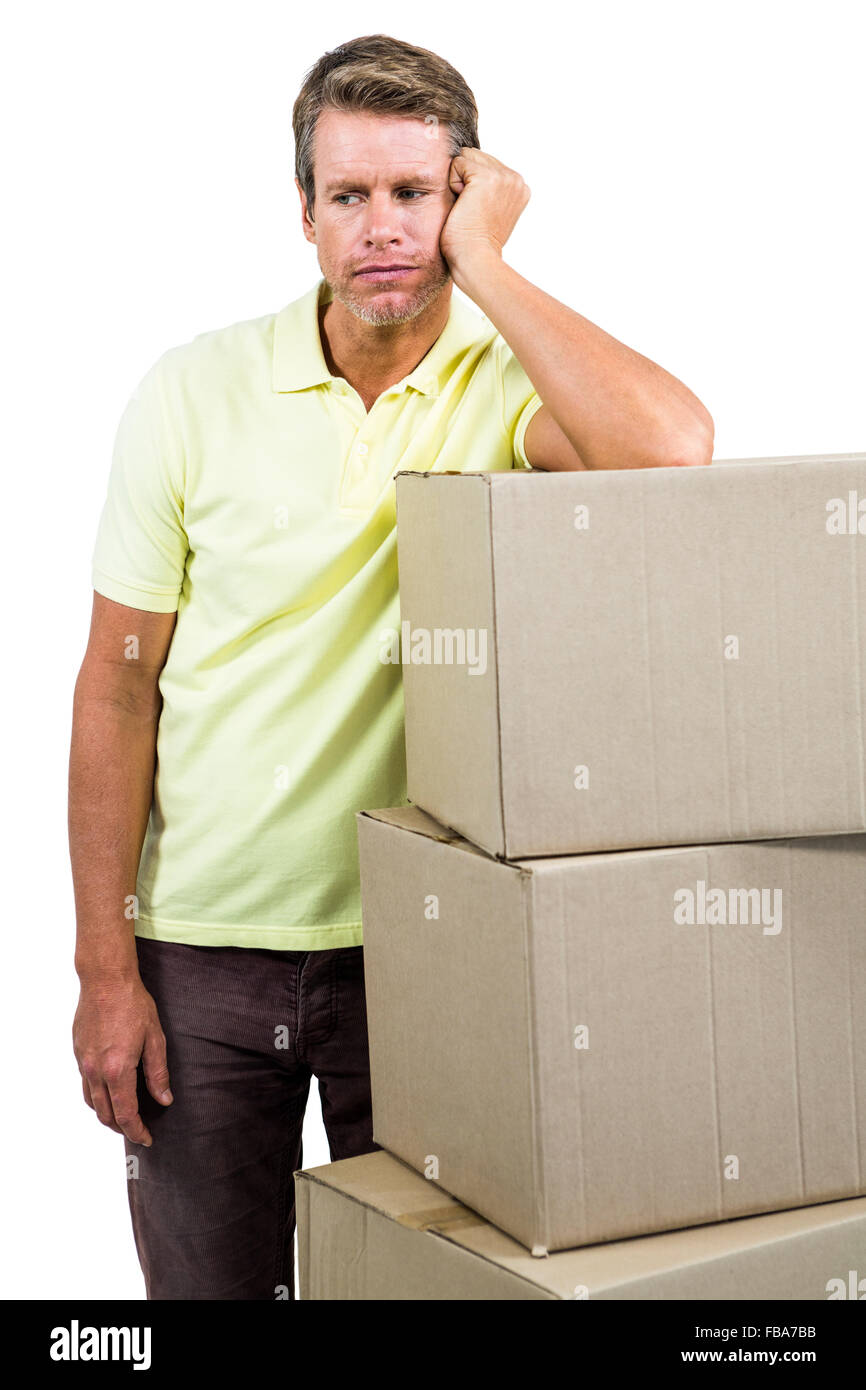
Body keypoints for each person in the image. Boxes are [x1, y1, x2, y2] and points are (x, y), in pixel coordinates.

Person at [69, 32, 713, 1301]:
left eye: (415, 195)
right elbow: (114, 686)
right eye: (348, 195)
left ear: (462, 199)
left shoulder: (508, 388)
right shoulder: (190, 393)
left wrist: (487, 268)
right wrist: (104, 968)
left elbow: (671, 454)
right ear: (301, 212)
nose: (380, 227)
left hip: (418, 953)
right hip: (197, 949)